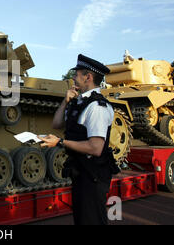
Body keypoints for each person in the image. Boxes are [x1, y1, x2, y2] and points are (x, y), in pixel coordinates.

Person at [39, 54, 117, 225]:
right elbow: (56, 124)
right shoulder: (79, 102)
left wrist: (60, 142)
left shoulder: (97, 107)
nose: (73, 77)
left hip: (93, 175)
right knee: (82, 219)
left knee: (92, 219)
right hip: (81, 171)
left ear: (88, 77)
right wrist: (65, 102)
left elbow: (96, 147)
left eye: (77, 74)